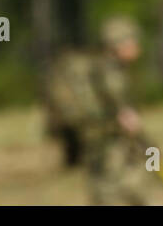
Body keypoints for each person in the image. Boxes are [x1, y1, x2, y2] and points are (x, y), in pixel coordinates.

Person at [50, 16, 153, 205]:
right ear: (118, 44)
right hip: (109, 142)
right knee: (115, 190)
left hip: (100, 141)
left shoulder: (101, 68)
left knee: (109, 188)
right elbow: (123, 116)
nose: (137, 46)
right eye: (132, 40)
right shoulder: (109, 73)